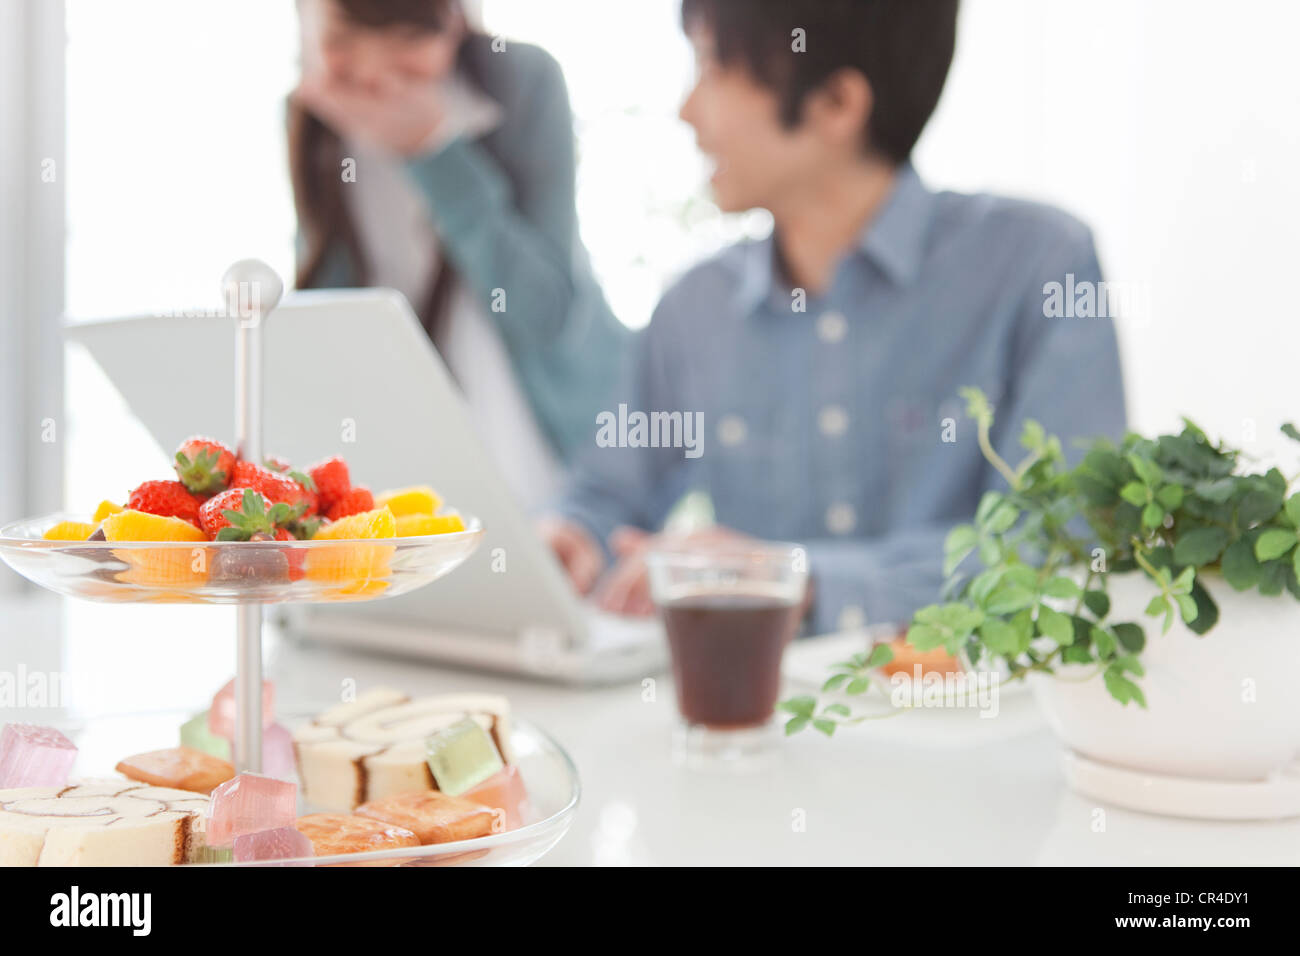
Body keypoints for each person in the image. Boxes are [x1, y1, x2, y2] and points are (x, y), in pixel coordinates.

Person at [542, 0, 1127, 633]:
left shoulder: (1040, 266)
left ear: (837, 105)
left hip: (970, 716)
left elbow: (1059, 546)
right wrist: (573, 537)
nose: (686, 112)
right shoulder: (695, 306)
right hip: (755, 718)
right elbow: (607, 494)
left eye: (712, 67)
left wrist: (795, 580)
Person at [289, 0, 626, 507]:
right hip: (408, 445)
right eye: (341, 43)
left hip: (543, 442)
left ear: (455, 20)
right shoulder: (315, 117)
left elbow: (541, 314)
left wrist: (433, 152)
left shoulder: (521, 80)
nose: (375, 74)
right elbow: (332, 319)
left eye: (408, 42)